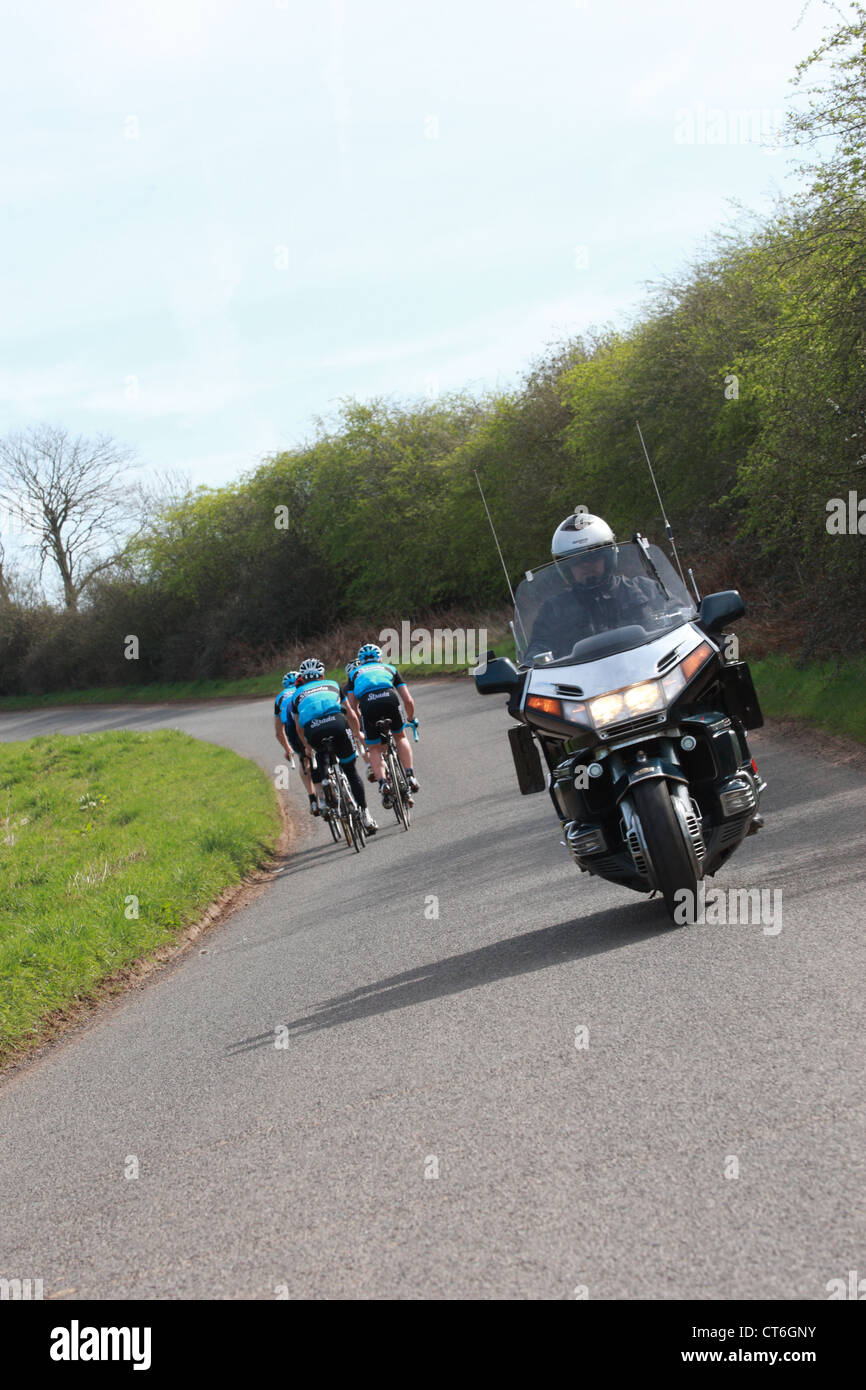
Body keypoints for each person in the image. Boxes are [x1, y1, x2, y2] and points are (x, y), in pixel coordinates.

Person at [526, 513, 660, 661]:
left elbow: (681, 616)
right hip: (582, 680)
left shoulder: (645, 589)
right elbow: (536, 651)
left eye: (592, 556)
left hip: (645, 667)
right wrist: (534, 659)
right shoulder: (553, 610)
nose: (585, 566)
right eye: (575, 561)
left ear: (608, 557)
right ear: (565, 567)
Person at [289, 658, 378, 834]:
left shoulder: (296, 696)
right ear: (322, 675)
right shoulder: (333, 685)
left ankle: (326, 780)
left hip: (313, 729)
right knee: (351, 771)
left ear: (303, 679)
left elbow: (299, 727)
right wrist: (358, 734)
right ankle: (366, 816)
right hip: (337, 724)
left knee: (320, 752)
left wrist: (307, 746)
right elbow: (351, 714)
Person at [345, 643, 418, 811]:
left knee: (374, 748)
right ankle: (410, 775)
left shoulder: (355, 673)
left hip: (368, 704)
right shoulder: (390, 668)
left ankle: (384, 783)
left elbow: (351, 706)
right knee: (400, 737)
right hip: (389, 699)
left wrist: (361, 722)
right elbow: (408, 700)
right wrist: (411, 717)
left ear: (361, 661)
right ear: (380, 658)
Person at [273, 670, 319, 815]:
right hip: (309, 722)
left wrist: (288, 750)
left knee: (303, 760)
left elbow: (278, 732)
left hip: (291, 729)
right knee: (320, 752)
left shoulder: (280, 698)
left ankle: (312, 799)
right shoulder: (305, 689)